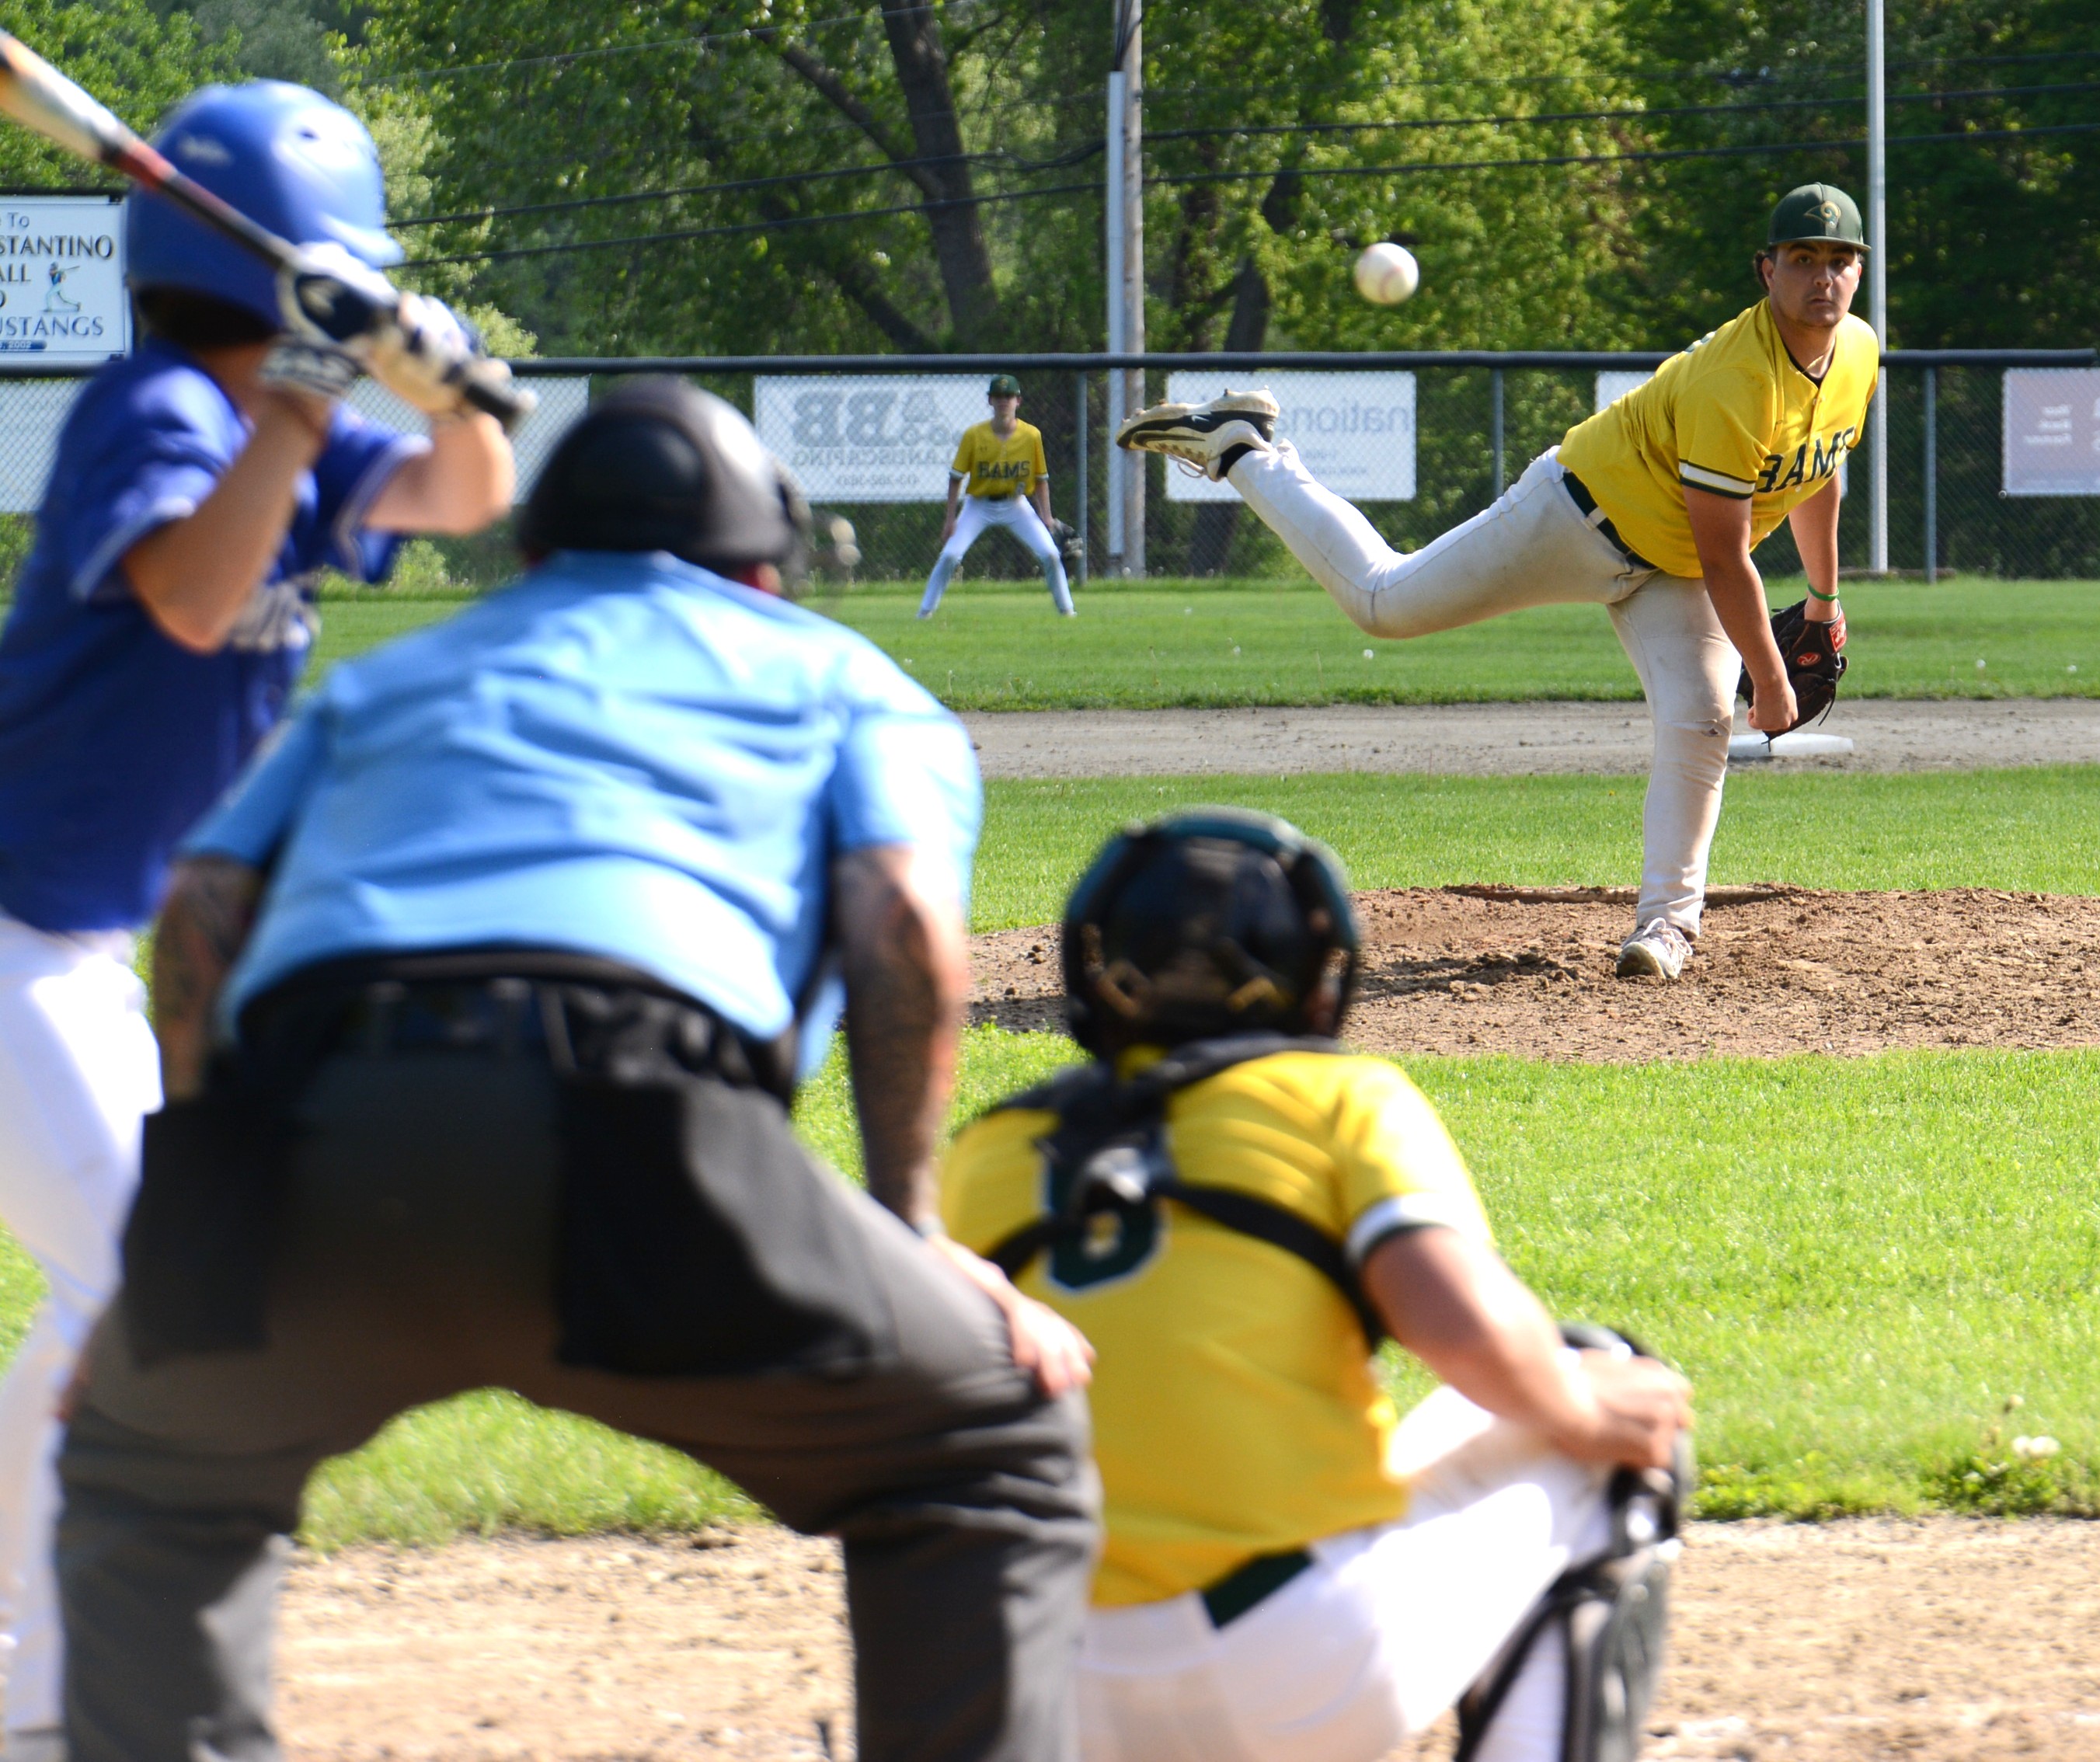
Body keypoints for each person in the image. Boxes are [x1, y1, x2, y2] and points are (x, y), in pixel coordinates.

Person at [51, 378, 1099, 1762]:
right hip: (642, 1127)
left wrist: (196, 1229)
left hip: (318, 1128)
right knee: (987, 1452)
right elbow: (901, 918)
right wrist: (908, 1228)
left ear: (531, 552)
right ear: (765, 568)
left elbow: (197, 909)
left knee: (151, 1467)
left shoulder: (388, 677)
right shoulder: (842, 677)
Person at [0, 80, 517, 1758]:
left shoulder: (293, 421)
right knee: (147, 1278)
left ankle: (26, 1647)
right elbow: (192, 592)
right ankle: (37, 1679)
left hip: (71, 944)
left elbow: (467, 495)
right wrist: (307, 381)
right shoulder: (157, 411)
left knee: (144, 1276)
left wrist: (440, 377)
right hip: (12, 933)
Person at [941, 808, 1695, 1762]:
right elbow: (1460, 1330)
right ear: (1315, 975)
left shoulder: (990, 1149)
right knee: (1603, 1377)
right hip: (1298, 1665)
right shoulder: (1338, 1097)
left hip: (1037, 1684)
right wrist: (1588, 1413)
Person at [1116, 184, 1877, 981]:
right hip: (1578, 518)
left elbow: (1819, 469)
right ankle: (1247, 448)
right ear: (1767, 270)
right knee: (1384, 602)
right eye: (1802, 259)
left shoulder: (1857, 351)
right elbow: (1727, 557)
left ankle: (1667, 930)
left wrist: (1824, 602)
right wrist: (1772, 675)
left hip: (1671, 568)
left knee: (1700, 719)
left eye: (1838, 261)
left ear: (1858, 273)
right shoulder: (1738, 379)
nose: (1821, 278)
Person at [921, 373, 1074, 618]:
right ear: (990, 401)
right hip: (978, 506)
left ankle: (1067, 611)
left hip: (1016, 504)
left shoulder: (1031, 435)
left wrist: (1047, 517)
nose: (1004, 401)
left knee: (1050, 554)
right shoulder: (974, 435)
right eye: (999, 397)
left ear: (1018, 401)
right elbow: (955, 478)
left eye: (1009, 397)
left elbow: (1040, 479)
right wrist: (950, 519)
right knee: (950, 554)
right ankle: (925, 611)